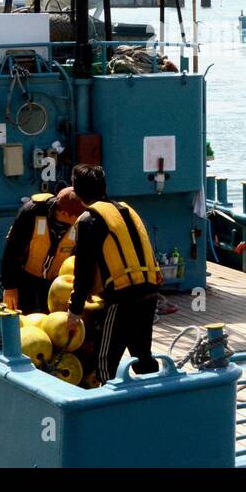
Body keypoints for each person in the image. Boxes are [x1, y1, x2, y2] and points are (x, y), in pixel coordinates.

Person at [65, 164, 163, 385]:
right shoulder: (126, 210)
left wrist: (75, 310)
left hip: (121, 298)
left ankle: (106, 398)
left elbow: (83, 270)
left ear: (76, 191)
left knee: (105, 360)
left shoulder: (89, 219)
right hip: (149, 291)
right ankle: (157, 394)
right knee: (142, 355)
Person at [1, 187, 86, 313]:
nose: (83, 218)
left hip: (56, 283)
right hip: (25, 278)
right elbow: (11, 251)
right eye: (79, 215)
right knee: (22, 315)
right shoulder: (32, 212)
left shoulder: (82, 225)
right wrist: (9, 287)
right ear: (65, 214)